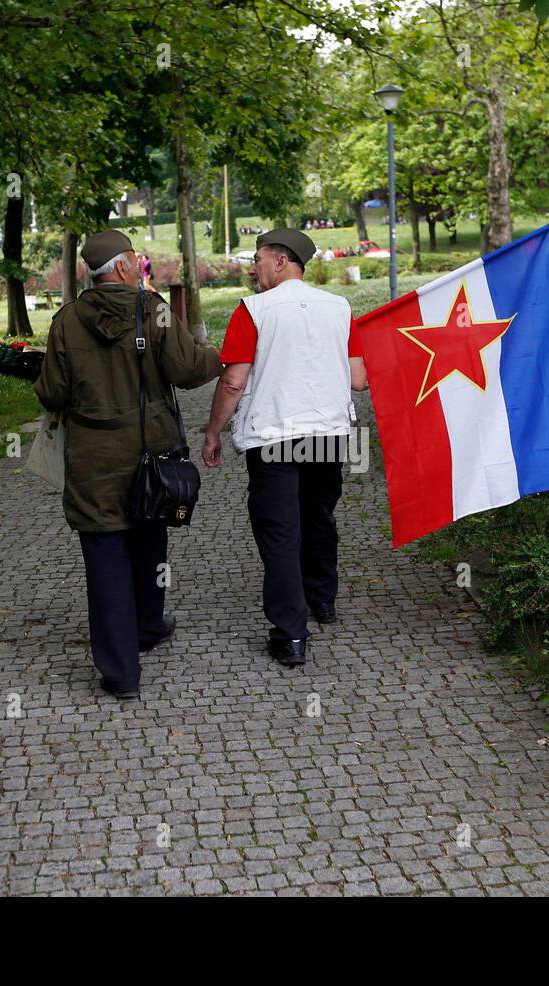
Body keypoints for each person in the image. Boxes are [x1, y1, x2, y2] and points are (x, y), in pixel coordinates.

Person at [35, 230, 220, 700]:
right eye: (135, 259)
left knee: (105, 558)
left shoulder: (67, 321)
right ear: (121, 268)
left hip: (93, 461)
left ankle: (120, 672)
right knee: (148, 537)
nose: (140, 266)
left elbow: (53, 393)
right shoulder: (154, 309)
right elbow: (187, 370)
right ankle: (147, 625)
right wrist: (220, 356)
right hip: (150, 453)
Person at [202, 228, 368, 668]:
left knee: (280, 532)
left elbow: (234, 381)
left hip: (275, 438)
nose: (252, 269)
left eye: (257, 260)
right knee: (319, 518)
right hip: (329, 434)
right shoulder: (339, 307)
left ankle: (292, 634)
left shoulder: (252, 310)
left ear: (280, 261)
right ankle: (323, 601)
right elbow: (358, 379)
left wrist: (213, 431)